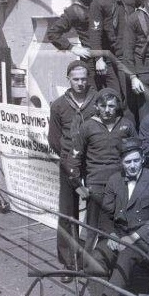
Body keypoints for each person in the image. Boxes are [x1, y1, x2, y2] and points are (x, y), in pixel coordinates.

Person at [81, 140, 149, 296]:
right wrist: (111, 234)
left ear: (143, 160)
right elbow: (106, 214)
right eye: (128, 162)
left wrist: (134, 237)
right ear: (122, 163)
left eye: (136, 160)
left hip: (143, 239)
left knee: (124, 259)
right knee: (95, 259)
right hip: (118, 235)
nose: (132, 165)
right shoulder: (114, 181)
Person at [48, 60, 97, 278]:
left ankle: (94, 259)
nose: (80, 83)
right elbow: (54, 139)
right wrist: (70, 162)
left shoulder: (97, 101)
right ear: (68, 78)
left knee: (97, 213)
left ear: (88, 79)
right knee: (67, 213)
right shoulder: (59, 105)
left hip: (93, 163)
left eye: (83, 79)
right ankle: (69, 263)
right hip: (69, 165)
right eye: (75, 79)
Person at [69, 88, 137, 242]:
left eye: (111, 106)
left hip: (121, 183)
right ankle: (88, 264)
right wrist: (78, 185)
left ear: (117, 106)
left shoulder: (126, 125)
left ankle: (113, 262)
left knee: (119, 226)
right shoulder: (88, 126)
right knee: (92, 228)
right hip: (96, 185)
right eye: (103, 106)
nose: (107, 110)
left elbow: (137, 153)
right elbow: (74, 157)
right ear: (97, 107)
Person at [86, 0, 137, 99]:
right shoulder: (99, 1)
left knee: (135, 95)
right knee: (121, 96)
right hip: (114, 57)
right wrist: (98, 59)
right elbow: (95, 33)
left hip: (132, 53)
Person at [45, 0, 100, 79]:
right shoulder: (74, 10)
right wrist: (72, 47)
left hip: (112, 57)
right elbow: (53, 33)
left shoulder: (107, 3)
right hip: (91, 60)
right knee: (93, 94)